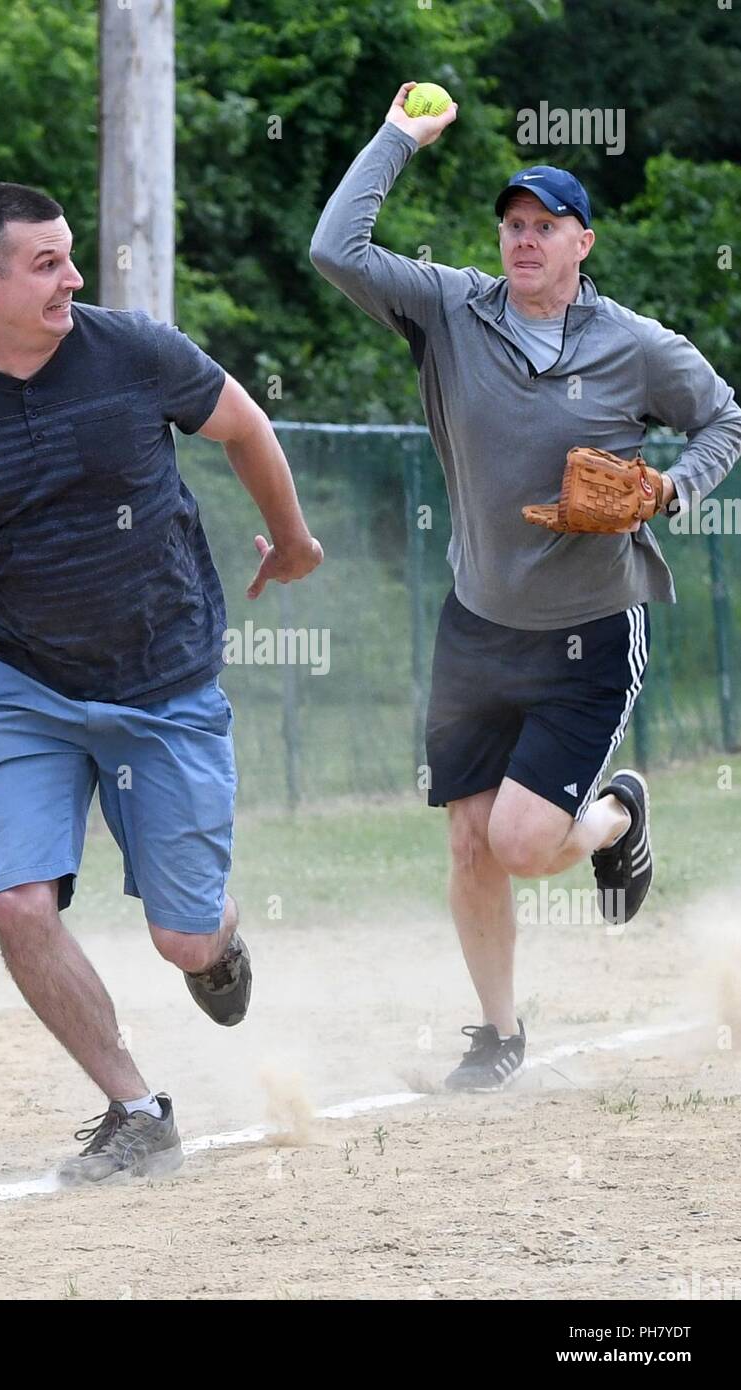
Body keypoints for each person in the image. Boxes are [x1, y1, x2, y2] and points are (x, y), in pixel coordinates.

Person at [0, 183, 322, 1179]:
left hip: (163, 681)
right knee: (18, 898)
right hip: (25, 684)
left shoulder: (133, 352)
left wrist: (291, 541)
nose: (72, 277)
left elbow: (244, 426)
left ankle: (217, 938)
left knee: (182, 938)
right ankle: (135, 1109)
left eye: (71, 255)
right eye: (46, 263)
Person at [310, 83, 741, 1090]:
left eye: (542, 226)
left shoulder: (631, 346)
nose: (520, 239)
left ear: (580, 243)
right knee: (467, 841)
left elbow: (722, 415)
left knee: (519, 840)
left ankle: (614, 819)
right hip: (475, 624)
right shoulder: (453, 309)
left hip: (585, 631)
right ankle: (497, 1035)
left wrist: (674, 485)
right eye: (510, 224)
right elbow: (336, 250)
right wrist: (393, 138)